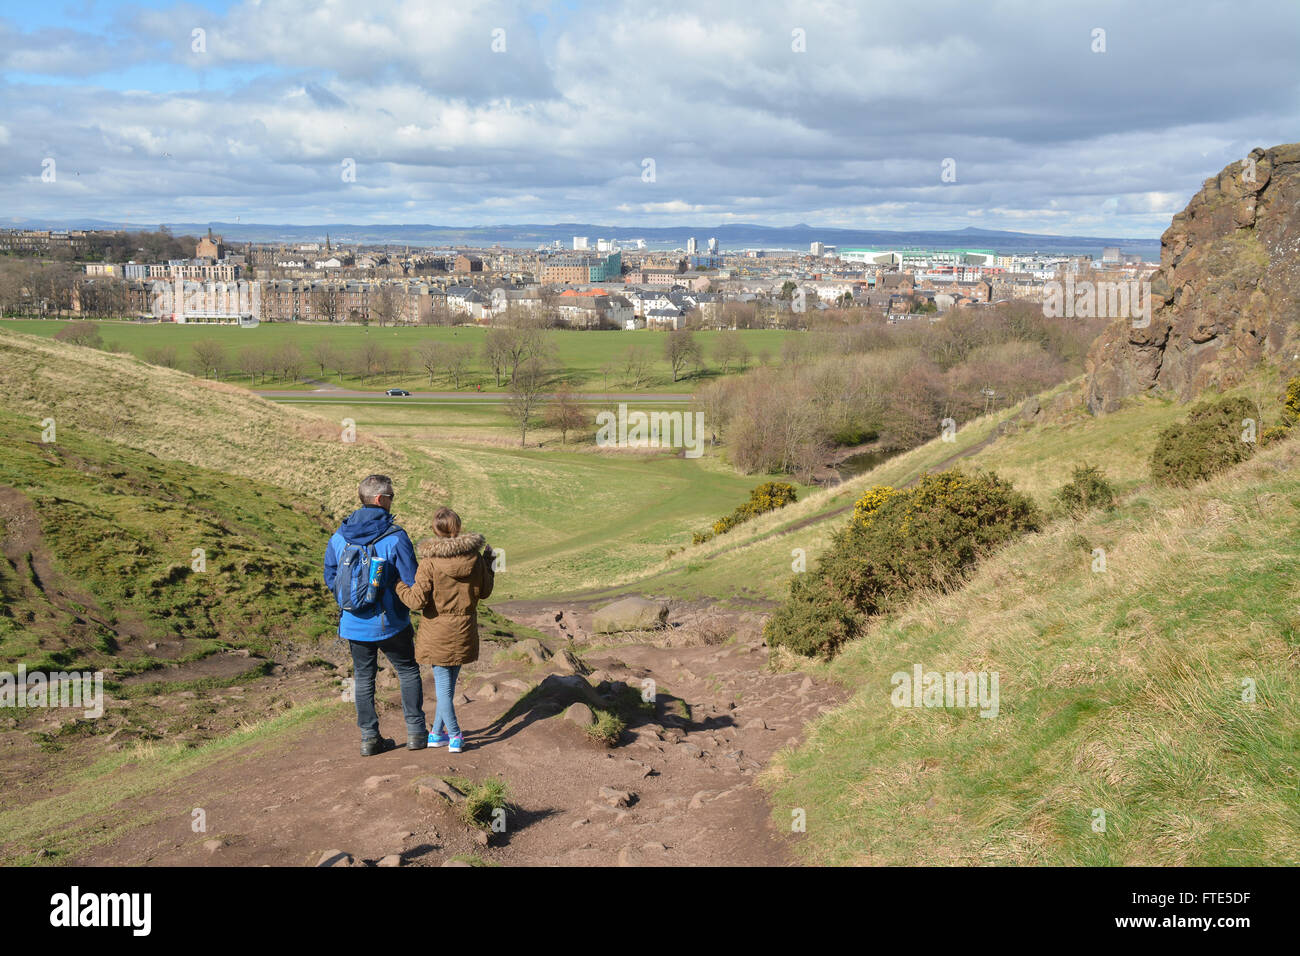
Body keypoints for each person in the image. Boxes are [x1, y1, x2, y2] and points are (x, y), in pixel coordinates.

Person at [323, 475, 427, 755]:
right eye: (392, 496)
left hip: (353, 623)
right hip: (391, 622)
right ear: (380, 500)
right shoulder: (395, 536)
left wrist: (352, 602)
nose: (394, 501)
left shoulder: (338, 536)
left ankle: (369, 739)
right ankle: (417, 733)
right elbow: (412, 579)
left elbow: (330, 576)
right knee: (407, 671)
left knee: (364, 678)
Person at [396, 507, 495, 754]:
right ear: (458, 527)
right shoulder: (475, 559)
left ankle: (455, 735)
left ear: (435, 530)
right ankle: (437, 734)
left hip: (437, 632)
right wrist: (489, 565)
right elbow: (485, 593)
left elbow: (416, 601)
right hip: (464, 630)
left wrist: (397, 585)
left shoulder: (429, 563)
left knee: (443, 690)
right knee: (447, 689)